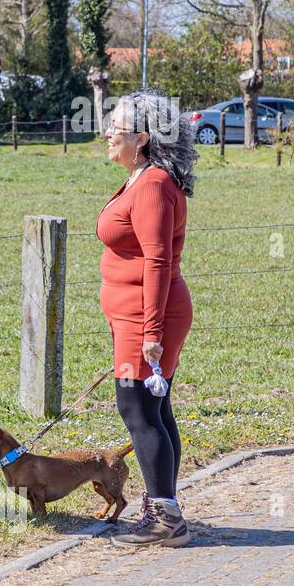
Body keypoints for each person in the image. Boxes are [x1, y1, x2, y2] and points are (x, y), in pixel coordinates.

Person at [96, 91, 198, 547]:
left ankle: (164, 518)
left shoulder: (153, 184)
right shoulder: (141, 178)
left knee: (138, 411)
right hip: (135, 316)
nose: (107, 133)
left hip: (146, 318)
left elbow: (157, 261)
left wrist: (151, 332)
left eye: (115, 128)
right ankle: (165, 510)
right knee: (154, 411)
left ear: (141, 137)